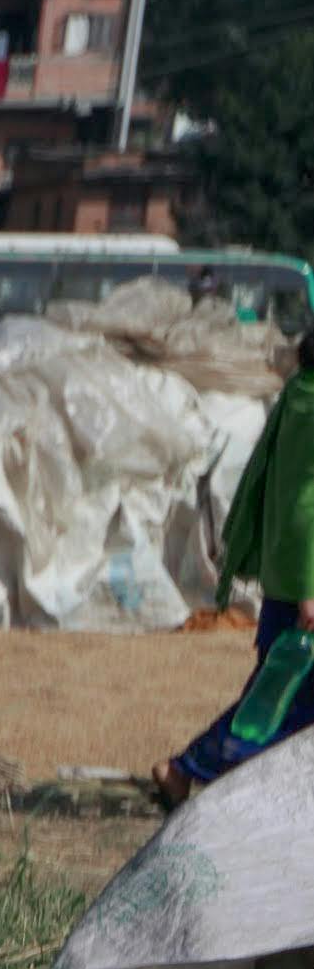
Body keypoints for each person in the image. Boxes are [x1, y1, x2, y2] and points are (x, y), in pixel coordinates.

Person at [161, 339, 314, 800]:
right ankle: (187, 769)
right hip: (302, 581)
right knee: (280, 701)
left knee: (277, 692)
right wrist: (309, 590)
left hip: (292, 575)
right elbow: (303, 505)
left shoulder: (300, 394)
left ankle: (193, 772)